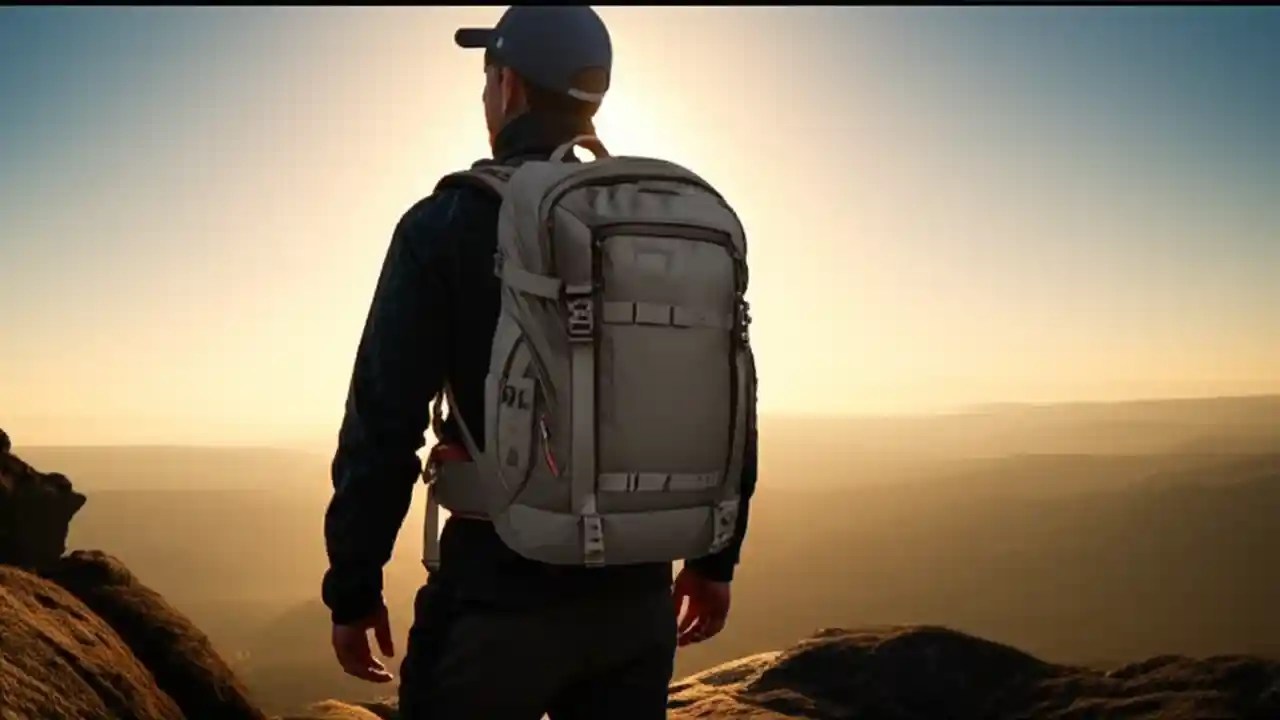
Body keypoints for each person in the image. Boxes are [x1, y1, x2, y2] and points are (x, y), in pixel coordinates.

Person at [321, 6, 758, 719]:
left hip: (497, 602)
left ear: (511, 86)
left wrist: (354, 586)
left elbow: (382, 419)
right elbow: (731, 395)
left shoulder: (447, 223)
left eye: (488, 75)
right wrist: (714, 560)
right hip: (637, 599)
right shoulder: (648, 227)